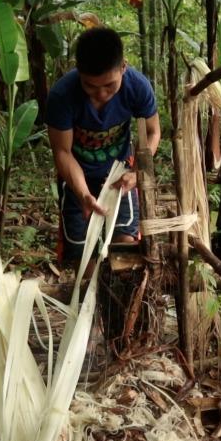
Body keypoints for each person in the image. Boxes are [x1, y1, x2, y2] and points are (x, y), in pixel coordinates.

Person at [46, 27, 161, 265]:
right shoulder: (62, 96)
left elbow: (153, 132)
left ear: (123, 67)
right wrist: (83, 193)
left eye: (109, 85)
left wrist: (136, 172)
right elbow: (63, 152)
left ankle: (120, 300)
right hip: (77, 175)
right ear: (79, 72)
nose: (100, 94)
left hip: (120, 174)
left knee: (126, 241)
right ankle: (86, 299)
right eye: (90, 86)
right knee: (79, 251)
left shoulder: (137, 87)